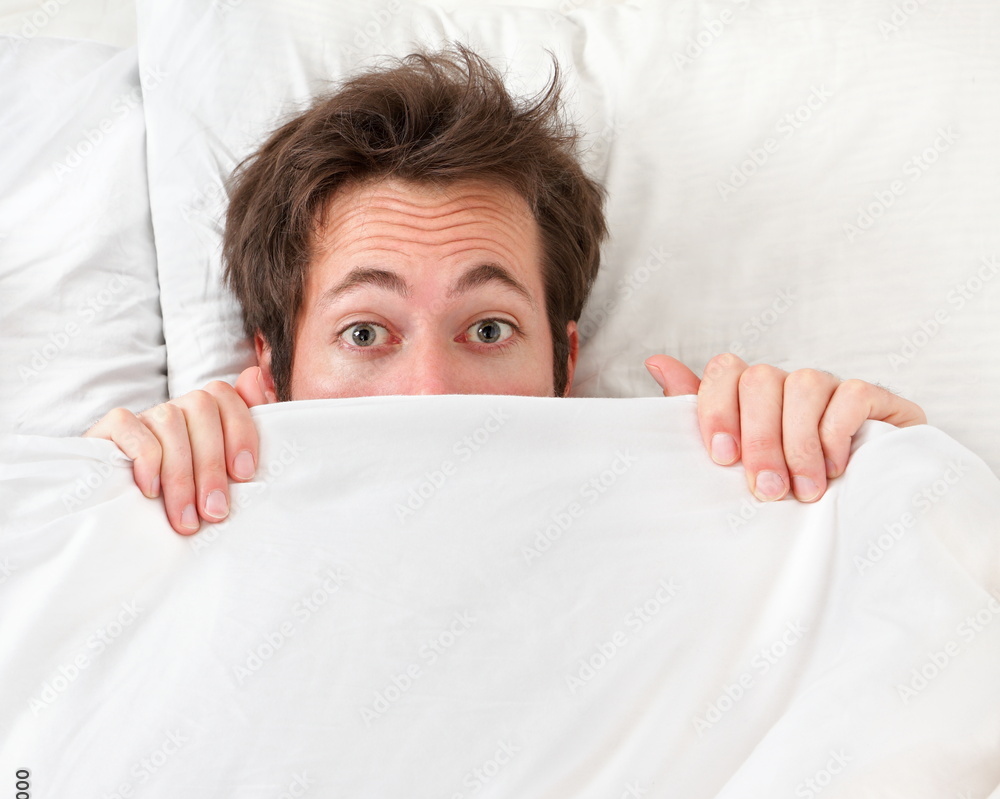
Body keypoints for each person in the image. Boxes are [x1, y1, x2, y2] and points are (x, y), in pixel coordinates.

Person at [84, 44, 926, 536]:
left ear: (566, 366)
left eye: (487, 329)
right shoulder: (162, 535)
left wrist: (881, 480)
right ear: (267, 377)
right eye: (365, 334)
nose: (432, 396)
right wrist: (103, 513)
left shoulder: (711, 521)